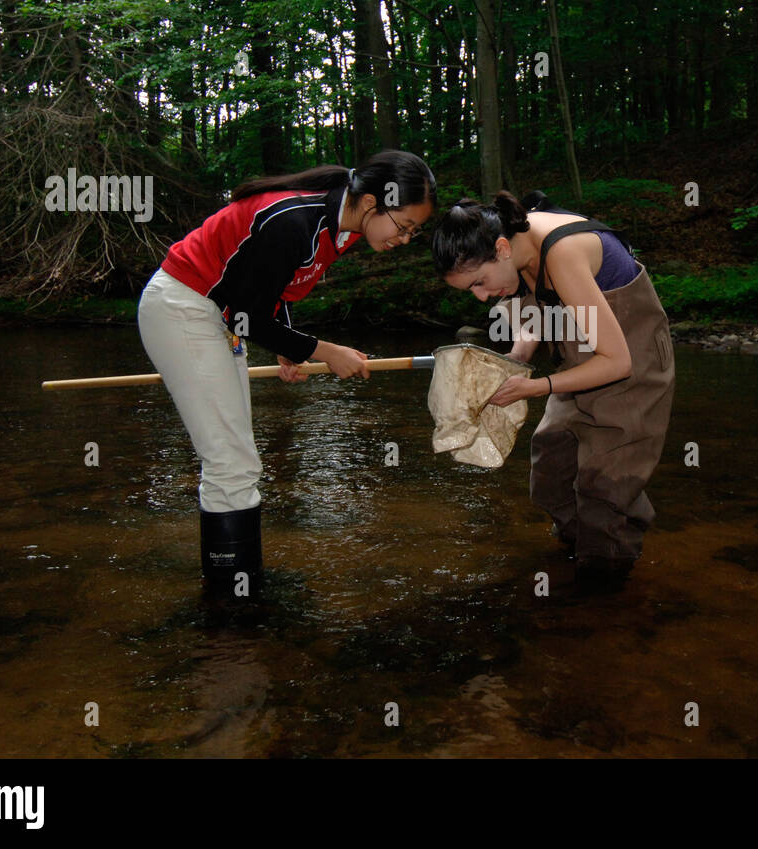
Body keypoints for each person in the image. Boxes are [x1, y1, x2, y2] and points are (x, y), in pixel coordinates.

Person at [137, 149, 437, 592]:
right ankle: (231, 597)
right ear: (373, 202)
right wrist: (323, 351)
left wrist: (288, 348)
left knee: (236, 459)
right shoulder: (294, 220)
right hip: (184, 306)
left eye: (414, 231)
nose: (406, 238)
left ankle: (239, 584)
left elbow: (268, 292)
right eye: (405, 226)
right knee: (230, 460)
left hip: (219, 315)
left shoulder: (341, 229)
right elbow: (250, 315)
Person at [431, 190, 675, 592]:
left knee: (605, 485)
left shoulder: (562, 252)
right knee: (551, 470)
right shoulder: (512, 247)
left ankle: (604, 587)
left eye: (479, 283)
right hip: (580, 360)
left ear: (502, 248)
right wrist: (514, 359)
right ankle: (578, 553)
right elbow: (534, 318)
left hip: (633, 362)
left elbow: (617, 361)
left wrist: (535, 387)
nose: (480, 296)